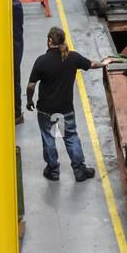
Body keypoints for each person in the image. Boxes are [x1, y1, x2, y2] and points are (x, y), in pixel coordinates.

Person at [25, 27, 113, 182]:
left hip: (46, 110)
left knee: (49, 139)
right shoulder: (72, 58)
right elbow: (91, 64)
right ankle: (79, 171)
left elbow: (31, 85)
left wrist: (29, 100)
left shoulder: (41, 61)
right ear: (63, 41)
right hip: (65, 110)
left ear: (49, 41)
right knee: (71, 137)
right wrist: (104, 63)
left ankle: (53, 171)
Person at [13, 0, 25, 125]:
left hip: (15, 49)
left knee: (14, 80)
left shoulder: (15, 6)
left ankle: (17, 113)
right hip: (15, 47)